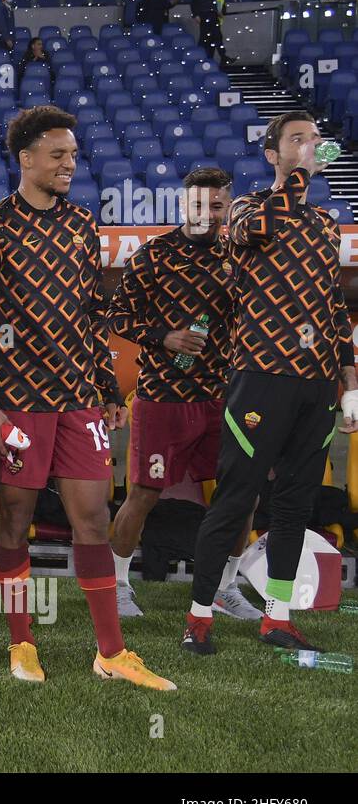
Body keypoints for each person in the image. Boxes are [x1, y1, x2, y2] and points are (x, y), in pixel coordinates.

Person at [0, 105, 176, 691]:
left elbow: (91, 312)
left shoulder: (82, 224)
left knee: (93, 519)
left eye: (73, 155)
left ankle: (111, 652)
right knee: (14, 520)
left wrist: (106, 386)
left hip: (78, 396)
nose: (69, 164)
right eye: (58, 155)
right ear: (26, 158)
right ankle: (22, 643)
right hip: (17, 399)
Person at [182, 111, 358, 655]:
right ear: (271, 155)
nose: (309, 148)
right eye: (296, 141)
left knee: (295, 506)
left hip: (316, 382)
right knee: (236, 500)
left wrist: (349, 383)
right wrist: (303, 169)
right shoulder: (248, 210)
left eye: (315, 141)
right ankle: (199, 618)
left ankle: (277, 616)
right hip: (260, 377)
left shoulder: (328, 225)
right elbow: (265, 224)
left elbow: (334, 308)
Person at [106, 167, 260, 620]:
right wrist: (164, 337)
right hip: (163, 397)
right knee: (143, 495)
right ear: (181, 206)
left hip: (223, 396)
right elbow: (117, 317)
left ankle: (224, 589)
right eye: (198, 205)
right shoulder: (154, 255)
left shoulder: (241, 256)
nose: (206, 214)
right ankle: (116, 585)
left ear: (228, 207)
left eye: (216, 205)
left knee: (241, 495)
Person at [192, 0, 233, 67]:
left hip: (213, 14)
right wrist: (196, 15)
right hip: (204, 14)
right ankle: (202, 58)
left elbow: (214, 1)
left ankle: (222, 57)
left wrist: (218, 11)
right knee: (205, 38)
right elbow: (194, 2)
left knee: (217, 36)